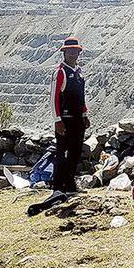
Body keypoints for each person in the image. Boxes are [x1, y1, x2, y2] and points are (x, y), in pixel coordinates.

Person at [27, 36, 89, 216]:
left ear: (79, 52)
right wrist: (57, 120)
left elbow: (81, 96)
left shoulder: (79, 72)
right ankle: (58, 185)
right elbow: (54, 97)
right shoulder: (60, 72)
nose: (73, 53)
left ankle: (70, 183)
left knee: (76, 152)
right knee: (62, 152)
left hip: (78, 119)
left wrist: (85, 114)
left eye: (75, 51)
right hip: (65, 119)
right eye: (70, 51)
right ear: (64, 52)